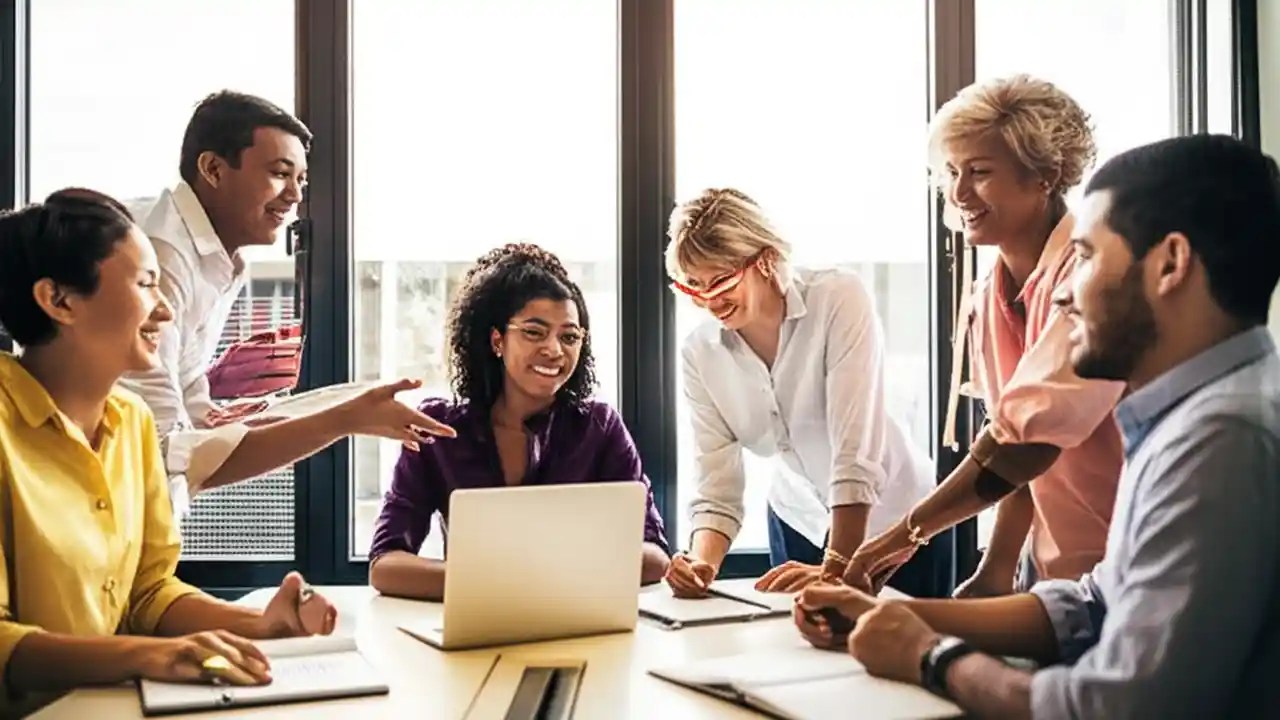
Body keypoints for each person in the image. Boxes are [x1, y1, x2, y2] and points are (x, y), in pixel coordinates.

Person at [795, 134, 1280, 718]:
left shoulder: (1221, 438)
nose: (1067, 294)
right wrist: (892, 616)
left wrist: (930, 655)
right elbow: (1093, 602)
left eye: (1088, 258)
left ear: (1170, 264)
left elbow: (1116, 708)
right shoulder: (1190, 417)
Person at [0, 189, 340, 715]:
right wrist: (151, 656)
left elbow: (148, 592)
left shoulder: (133, 422)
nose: (163, 309)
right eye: (144, 284)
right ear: (59, 301)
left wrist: (260, 626)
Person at [844, 75, 1124, 597]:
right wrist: (996, 569)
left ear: (1045, 175)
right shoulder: (985, 296)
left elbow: (1027, 444)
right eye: (950, 171)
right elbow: (1012, 442)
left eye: (980, 172)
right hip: (1052, 575)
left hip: (1127, 565)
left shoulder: (1087, 277)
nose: (957, 192)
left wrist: (901, 536)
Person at [117, 90, 454, 518]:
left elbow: (188, 411)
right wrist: (343, 420)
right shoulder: (163, 254)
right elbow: (166, 450)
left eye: (302, 181)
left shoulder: (217, 257)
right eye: (280, 174)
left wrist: (252, 418)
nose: (295, 196)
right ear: (214, 169)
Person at [661, 188, 939, 599]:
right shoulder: (700, 353)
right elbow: (717, 481)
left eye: (720, 280)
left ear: (767, 259)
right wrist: (702, 564)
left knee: (893, 652)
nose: (708, 299)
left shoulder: (838, 298)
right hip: (799, 519)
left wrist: (838, 567)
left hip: (896, 524)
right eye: (692, 286)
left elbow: (854, 452)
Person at [368, 244, 670, 599]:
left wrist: (541, 581)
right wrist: (497, 584)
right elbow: (386, 565)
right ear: (497, 340)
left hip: (576, 623)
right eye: (534, 332)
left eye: (569, 337)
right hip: (479, 625)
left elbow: (653, 555)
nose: (555, 350)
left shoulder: (600, 428)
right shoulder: (437, 429)